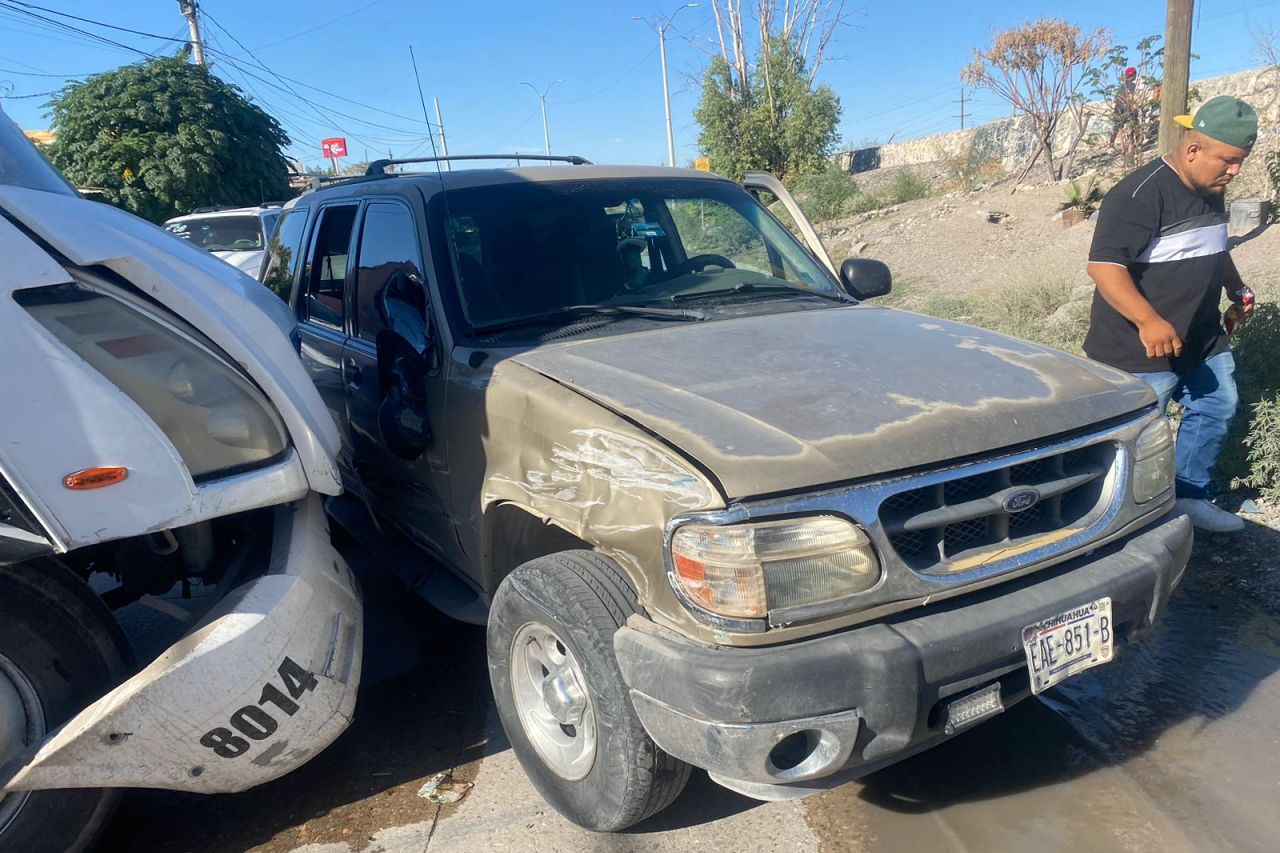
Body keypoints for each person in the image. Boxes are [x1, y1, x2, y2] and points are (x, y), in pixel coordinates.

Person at [1085, 95, 1259, 533]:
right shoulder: (1138, 195)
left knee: (1217, 404)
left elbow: (1214, 247)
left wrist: (1236, 290)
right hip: (1139, 347)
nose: (1234, 171)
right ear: (1193, 149)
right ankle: (1118, 523)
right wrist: (1148, 321)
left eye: (1240, 162)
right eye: (1228, 160)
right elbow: (1104, 267)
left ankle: (1188, 498)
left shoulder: (1211, 188)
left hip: (1201, 336)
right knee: (1136, 437)